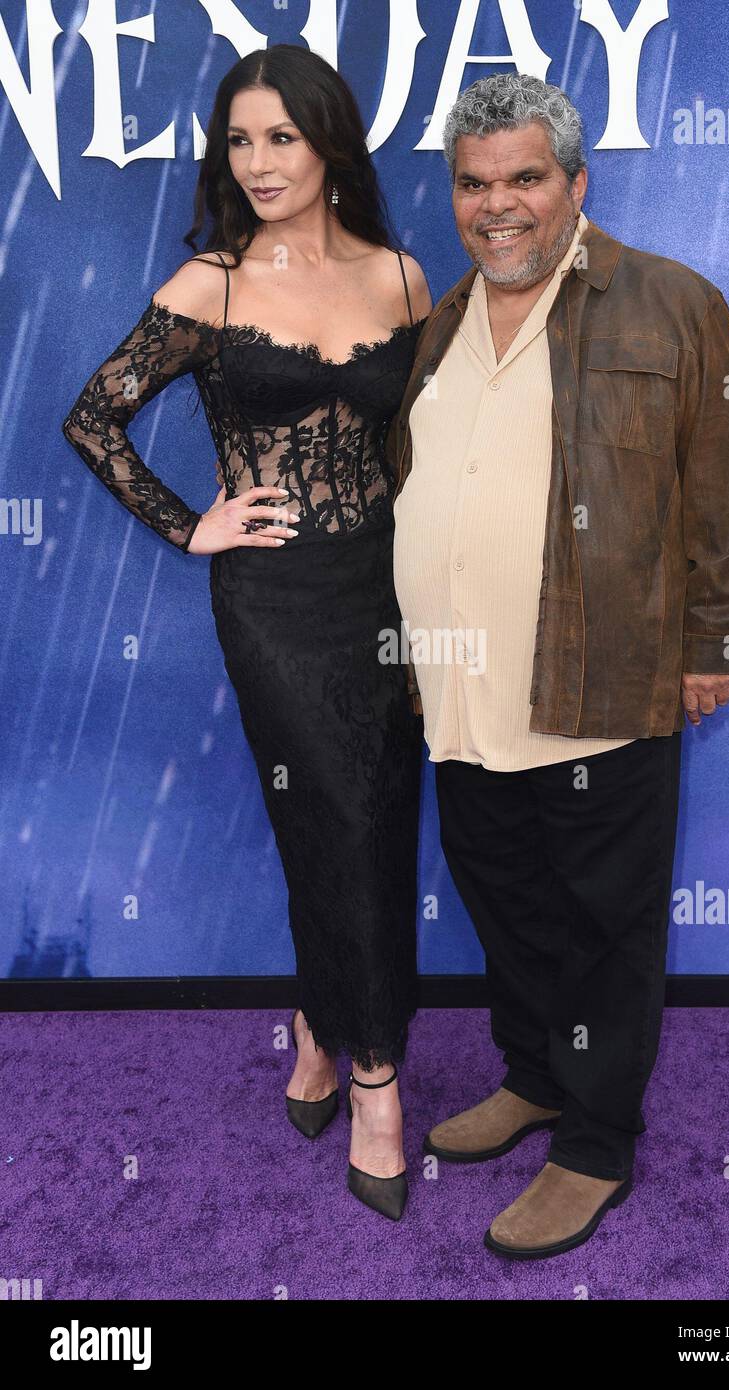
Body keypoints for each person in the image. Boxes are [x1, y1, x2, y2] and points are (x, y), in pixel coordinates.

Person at [390, 73, 729, 1258]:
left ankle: (593, 1143)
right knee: (503, 906)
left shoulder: (667, 303)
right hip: (458, 690)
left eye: (523, 179)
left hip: (598, 690)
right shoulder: (444, 319)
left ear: (573, 185)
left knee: (602, 926)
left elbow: (724, 482)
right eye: (472, 182)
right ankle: (536, 1077)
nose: (495, 205)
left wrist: (716, 641)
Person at [62, 44, 432, 1223]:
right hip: (272, 602)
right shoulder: (208, 287)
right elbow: (95, 418)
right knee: (323, 812)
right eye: (238, 140)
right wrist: (191, 526)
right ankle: (378, 1088)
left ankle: (324, 1026)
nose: (259, 162)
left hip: (384, 591)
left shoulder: (401, 277)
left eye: (281, 136)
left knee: (377, 820)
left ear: (329, 143)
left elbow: (410, 450)